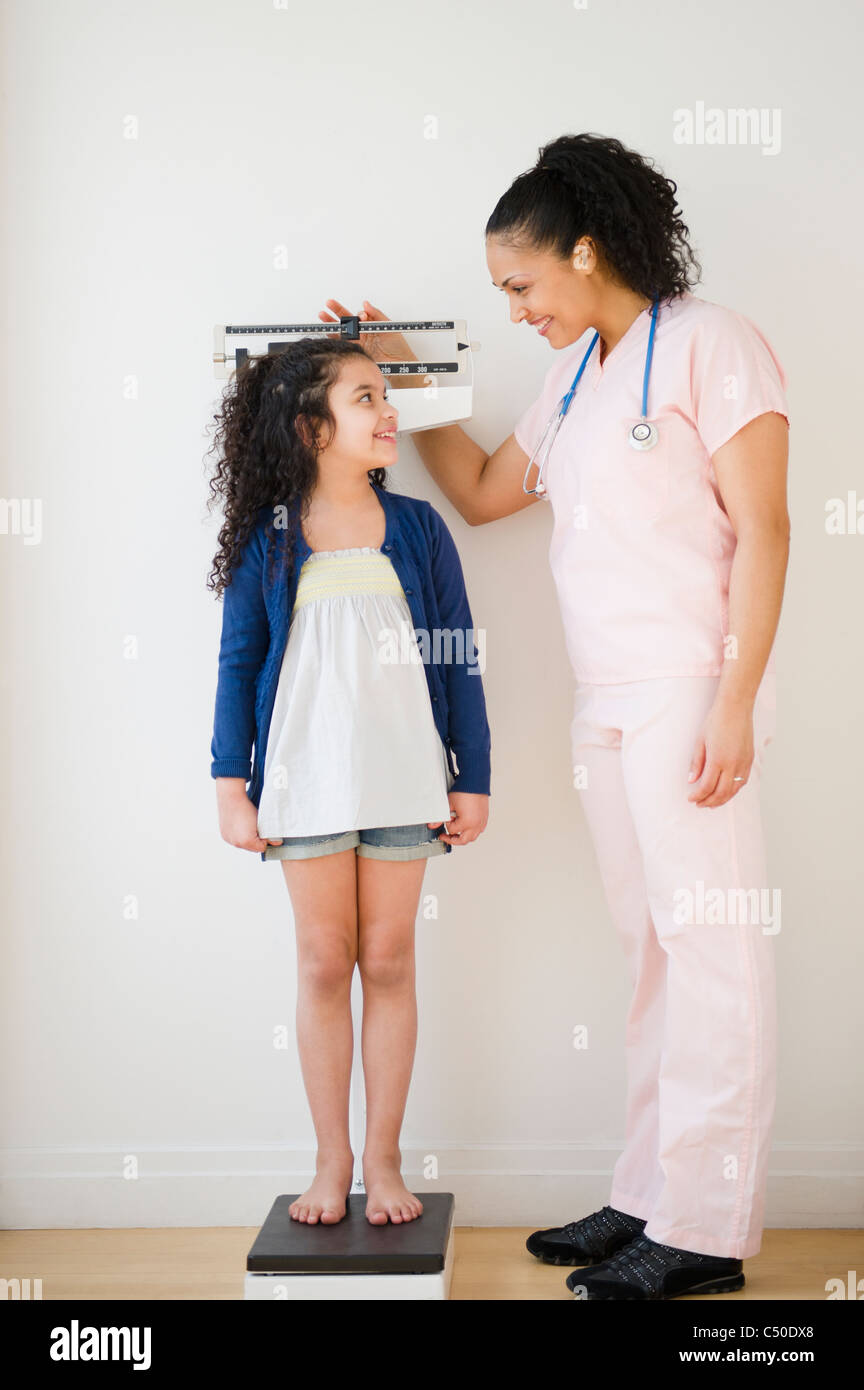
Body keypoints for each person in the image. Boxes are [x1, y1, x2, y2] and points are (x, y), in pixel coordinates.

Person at [319, 131, 790, 1299]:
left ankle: (709, 1229)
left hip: (691, 690)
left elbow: (770, 530)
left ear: (585, 250)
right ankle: (648, 1195)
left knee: (713, 957)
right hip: (607, 704)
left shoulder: (713, 345)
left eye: (522, 286)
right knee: (650, 955)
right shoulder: (577, 378)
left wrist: (735, 699)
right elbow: (481, 494)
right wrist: (404, 376)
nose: (518, 310)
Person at [205, 338, 491, 1227]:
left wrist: (471, 773)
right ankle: (330, 1161)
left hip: (407, 780)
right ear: (311, 428)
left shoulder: (417, 528)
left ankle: (386, 1161)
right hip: (304, 782)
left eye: (386, 395)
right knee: (326, 962)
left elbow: (459, 654)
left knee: (392, 960)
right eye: (366, 398)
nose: (388, 413)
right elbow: (238, 659)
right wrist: (230, 782)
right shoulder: (272, 537)